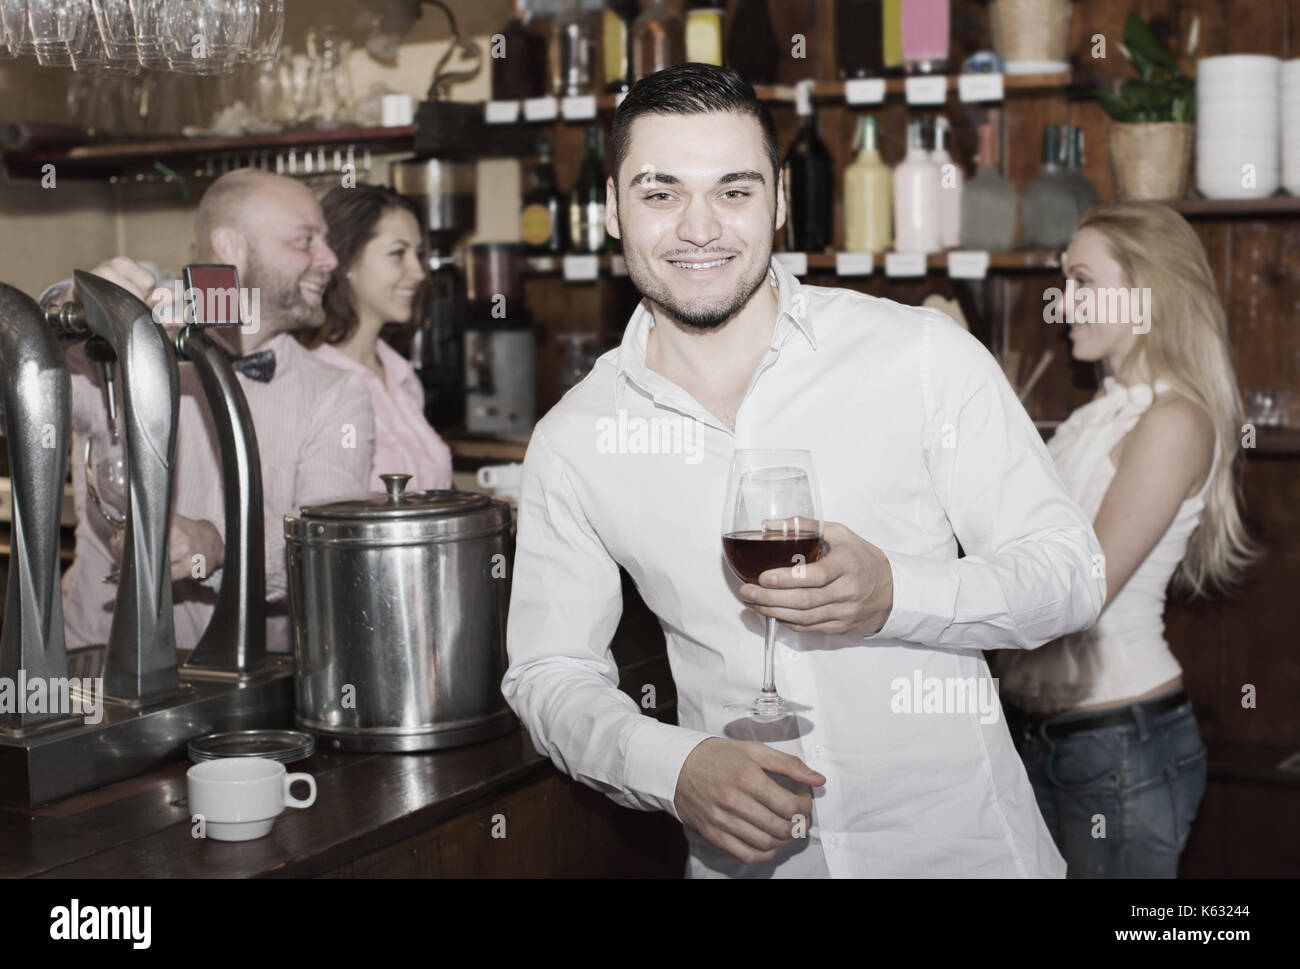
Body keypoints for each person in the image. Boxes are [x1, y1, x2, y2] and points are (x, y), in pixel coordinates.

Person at [501, 64, 1106, 878]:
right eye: (660, 193)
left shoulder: (920, 356)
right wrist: (671, 765)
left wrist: (899, 591)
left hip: (959, 854)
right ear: (611, 208)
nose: (700, 227)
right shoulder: (575, 437)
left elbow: (1070, 573)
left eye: (734, 191)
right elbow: (550, 670)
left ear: (780, 200)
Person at [990, 203, 1257, 877]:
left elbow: (1082, 588)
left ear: (1145, 292)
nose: (1063, 302)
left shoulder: (1174, 420)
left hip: (1118, 744)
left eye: (1082, 281)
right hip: (1048, 737)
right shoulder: (1094, 415)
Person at [49, 169, 376, 654]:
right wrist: (67, 312)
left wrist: (220, 545)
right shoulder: (115, 352)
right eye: (305, 240)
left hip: (248, 688)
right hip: (94, 667)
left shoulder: (338, 391)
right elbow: (13, 398)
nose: (329, 260)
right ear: (231, 247)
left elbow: (326, 546)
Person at [297, 184, 453, 491]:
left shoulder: (402, 377)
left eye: (418, 254)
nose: (419, 272)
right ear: (346, 261)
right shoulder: (311, 379)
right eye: (398, 254)